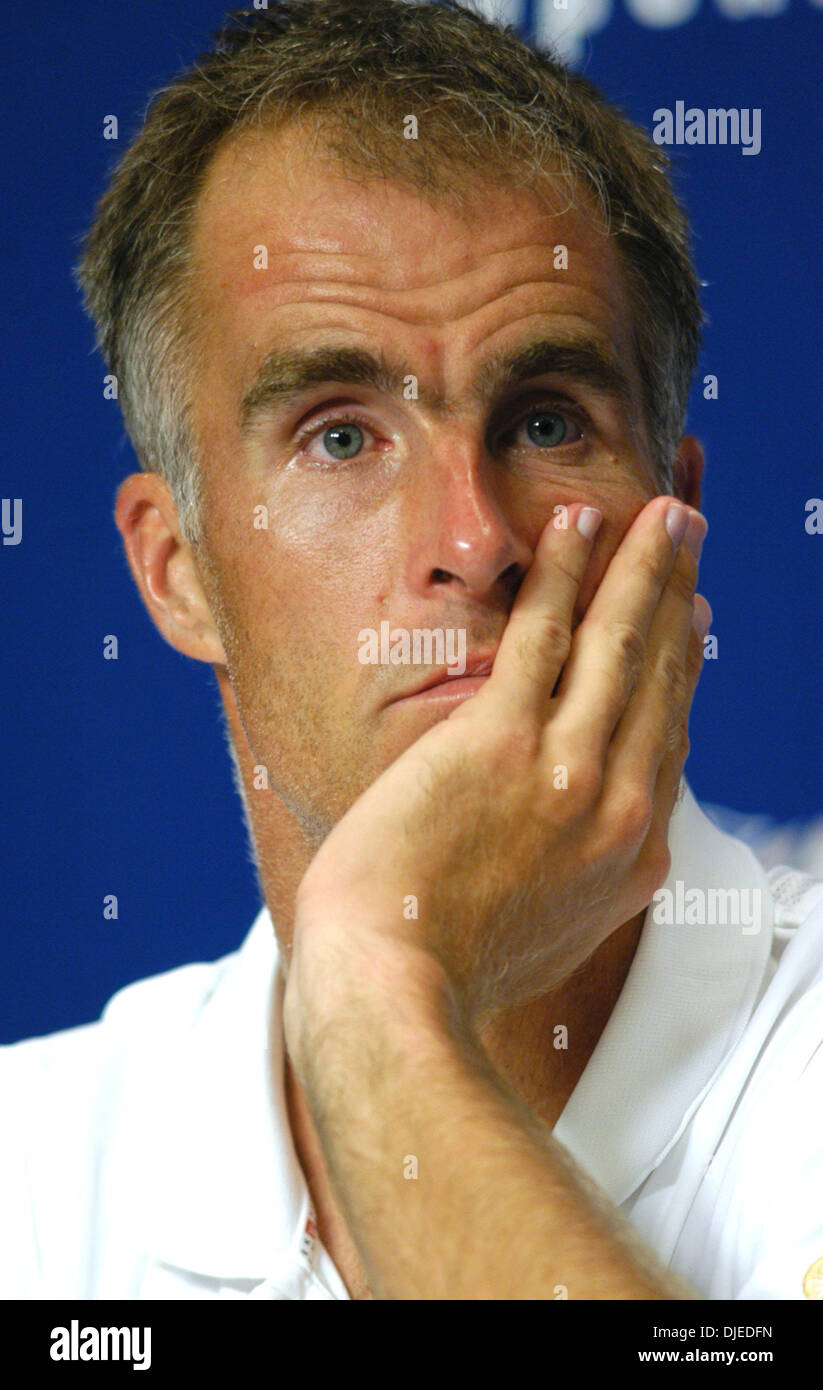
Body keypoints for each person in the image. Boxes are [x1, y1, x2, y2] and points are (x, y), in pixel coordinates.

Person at [3, 0, 821, 1302]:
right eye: (340, 434)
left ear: (677, 521)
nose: (475, 538)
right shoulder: (31, 1183)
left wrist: (378, 986)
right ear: (179, 570)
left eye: (548, 420)